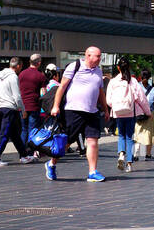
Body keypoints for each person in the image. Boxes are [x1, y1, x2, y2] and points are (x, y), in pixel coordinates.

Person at [47, 45, 110, 181]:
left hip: (92, 111)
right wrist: (55, 106)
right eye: (97, 56)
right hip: (73, 110)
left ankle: (92, 172)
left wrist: (105, 109)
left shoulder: (98, 71)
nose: (99, 59)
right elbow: (61, 87)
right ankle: (51, 164)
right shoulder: (74, 66)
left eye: (100, 56)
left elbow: (100, 93)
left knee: (93, 141)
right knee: (67, 142)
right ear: (88, 56)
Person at [0, 58, 35, 167]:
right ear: (18, 66)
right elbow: (17, 96)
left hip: (3, 106)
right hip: (10, 108)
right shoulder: (13, 77)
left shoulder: (0, 77)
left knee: (14, 134)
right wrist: (23, 110)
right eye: (21, 66)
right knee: (4, 134)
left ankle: (24, 155)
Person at [106, 58, 149, 172]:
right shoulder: (133, 81)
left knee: (121, 135)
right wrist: (147, 112)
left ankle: (121, 154)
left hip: (118, 113)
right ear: (129, 67)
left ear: (118, 68)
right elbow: (141, 98)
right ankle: (129, 164)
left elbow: (108, 100)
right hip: (130, 112)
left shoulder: (113, 81)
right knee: (129, 137)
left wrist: (115, 105)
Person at [18, 54, 47, 148]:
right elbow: (43, 93)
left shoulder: (21, 74)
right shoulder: (40, 76)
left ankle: (22, 152)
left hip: (22, 106)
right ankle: (30, 151)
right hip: (34, 106)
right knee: (33, 129)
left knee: (24, 129)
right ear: (39, 63)